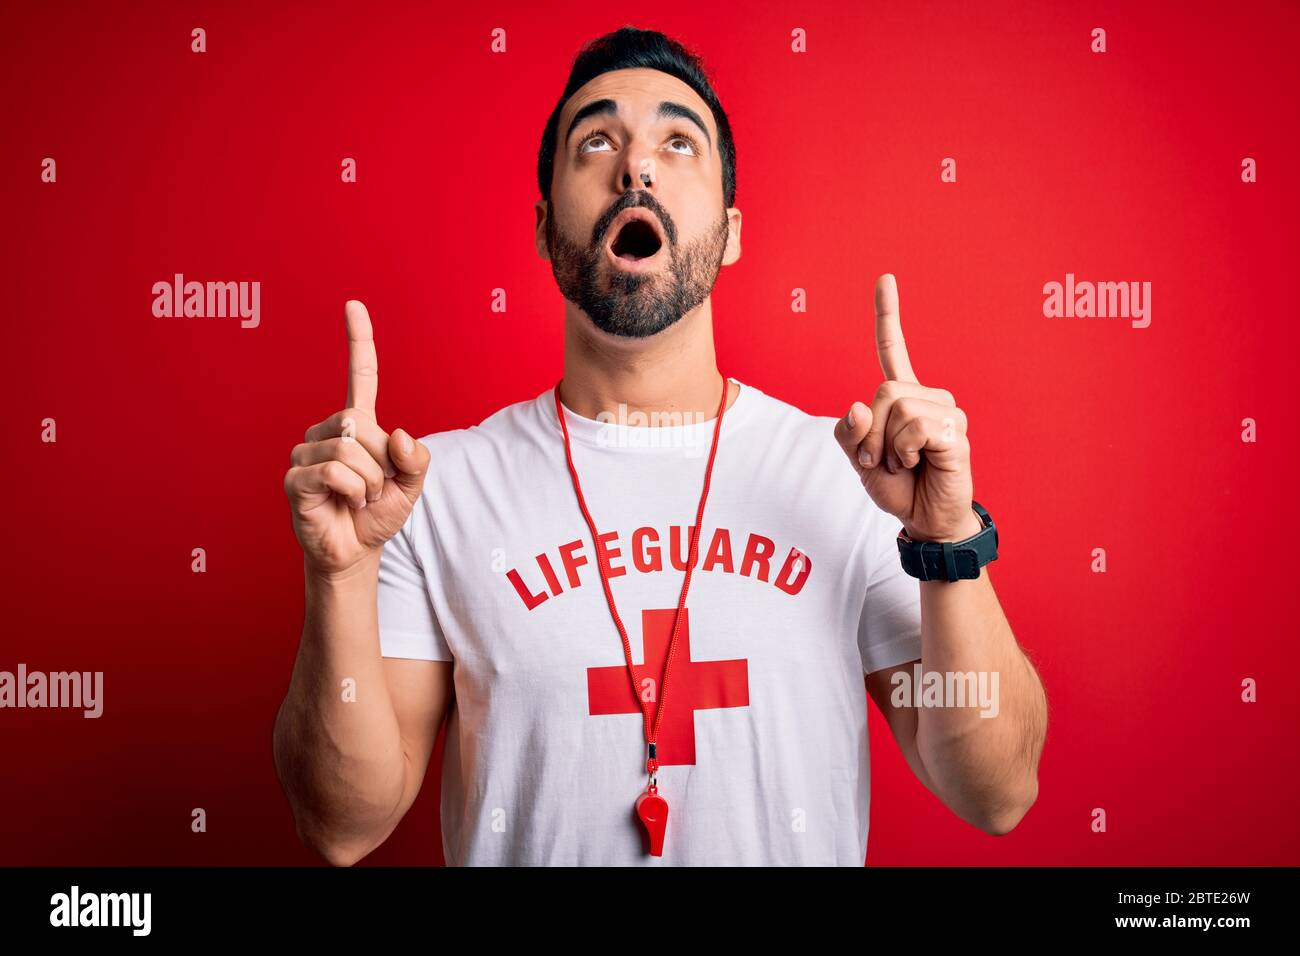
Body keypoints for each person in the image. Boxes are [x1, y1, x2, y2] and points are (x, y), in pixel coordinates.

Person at [273, 26, 1047, 866]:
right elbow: (344, 826)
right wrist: (339, 575)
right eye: (596, 141)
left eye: (679, 143)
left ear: (732, 228)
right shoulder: (429, 489)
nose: (636, 167)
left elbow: (996, 792)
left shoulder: (850, 477)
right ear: (541, 227)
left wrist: (946, 538)